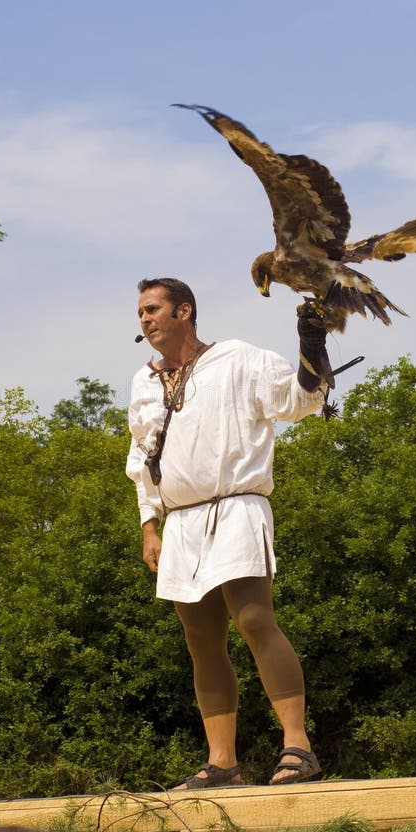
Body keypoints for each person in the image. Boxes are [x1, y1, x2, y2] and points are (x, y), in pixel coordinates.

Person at [126, 277, 332, 789]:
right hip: (181, 523)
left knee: (255, 620)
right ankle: (222, 764)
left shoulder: (238, 359)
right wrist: (150, 525)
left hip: (237, 507)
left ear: (184, 311)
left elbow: (298, 400)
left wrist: (312, 345)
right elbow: (141, 459)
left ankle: (298, 748)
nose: (145, 319)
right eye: (140, 313)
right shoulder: (144, 382)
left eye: (153, 309)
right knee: (202, 643)